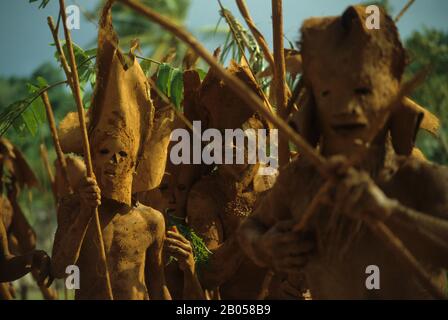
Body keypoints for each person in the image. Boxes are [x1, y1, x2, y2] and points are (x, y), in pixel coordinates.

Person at [238, 5, 448, 299]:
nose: (345, 109)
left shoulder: (422, 179)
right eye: (327, 93)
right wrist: (264, 247)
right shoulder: (301, 181)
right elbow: (252, 227)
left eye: (362, 91)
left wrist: (390, 213)